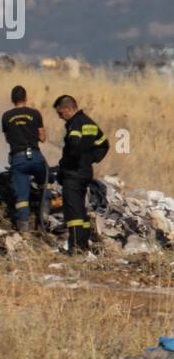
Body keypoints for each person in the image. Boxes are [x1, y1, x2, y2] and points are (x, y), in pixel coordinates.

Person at [52, 95, 109, 254]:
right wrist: (90, 159)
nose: (60, 117)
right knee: (81, 211)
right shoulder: (88, 122)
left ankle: (76, 248)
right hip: (85, 172)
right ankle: (83, 246)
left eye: (60, 113)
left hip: (73, 174)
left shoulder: (75, 124)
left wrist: (67, 164)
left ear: (68, 109)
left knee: (73, 212)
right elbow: (104, 144)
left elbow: (74, 145)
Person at [0, 85, 47, 233]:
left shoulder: (6, 116)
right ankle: (44, 217)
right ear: (26, 98)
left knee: (22, 196)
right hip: (35, 156)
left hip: (18, 159)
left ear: (12, 99)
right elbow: (43, 138)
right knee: (47, 182)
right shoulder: (35, 114)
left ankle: (24, 229)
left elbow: (8, 139)